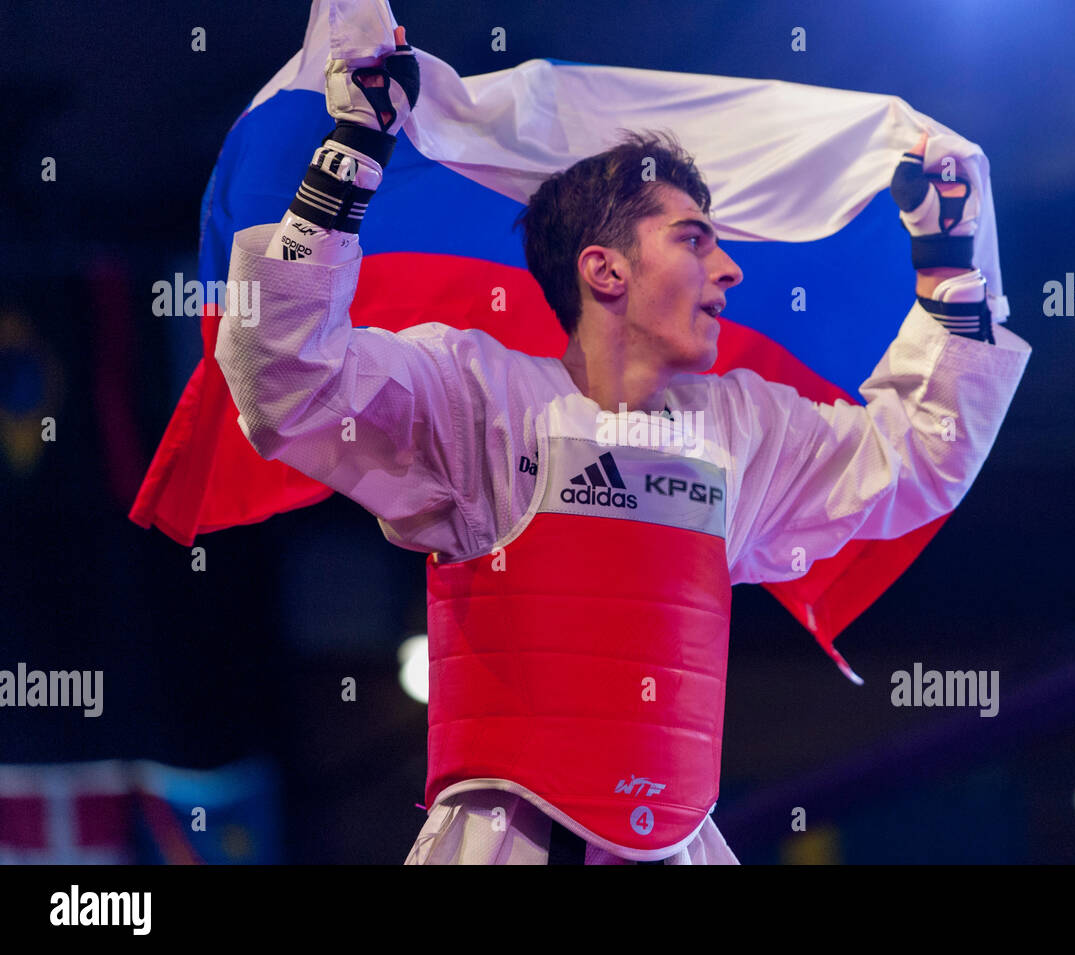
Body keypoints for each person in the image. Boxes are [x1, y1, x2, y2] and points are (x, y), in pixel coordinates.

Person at [215, 26, 1031, 865]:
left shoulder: (741, 428)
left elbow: (918, 457)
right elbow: (285, 379)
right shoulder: (474, 396)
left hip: (679, 845)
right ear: (606, 271)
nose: (731, 270)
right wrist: (348, 160)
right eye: (694, 239)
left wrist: (946, 272)